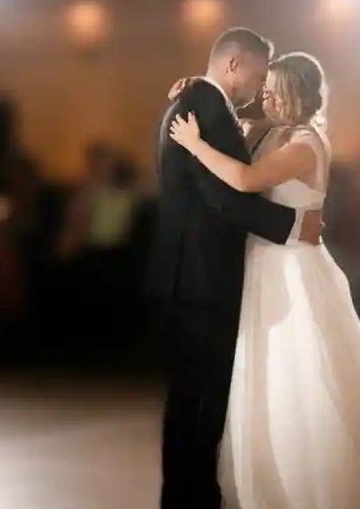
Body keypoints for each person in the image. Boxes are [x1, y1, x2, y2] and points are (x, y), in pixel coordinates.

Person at [168, 49, 360, 509]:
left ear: (294, 95)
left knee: (295, 373)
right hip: (264, 264)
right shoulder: (272, 131)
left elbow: (245, 178)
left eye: (273, 89)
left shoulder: (304, 144)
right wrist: (196, 90)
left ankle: (306, 486)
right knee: (261, 374)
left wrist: (194, 142)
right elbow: (236, 123)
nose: (265, 97)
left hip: (292, 270)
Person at [146, 28, 325, 509]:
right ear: (233, 65)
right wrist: (293, 225)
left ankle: (186, 497)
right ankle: (194, 499)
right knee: (202, 402)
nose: (261, 84)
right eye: (258, 72)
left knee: (189, 400)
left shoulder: (201, 100)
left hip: (191, 274)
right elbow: (228, 197)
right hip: (204, 279)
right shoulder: (204, 104)